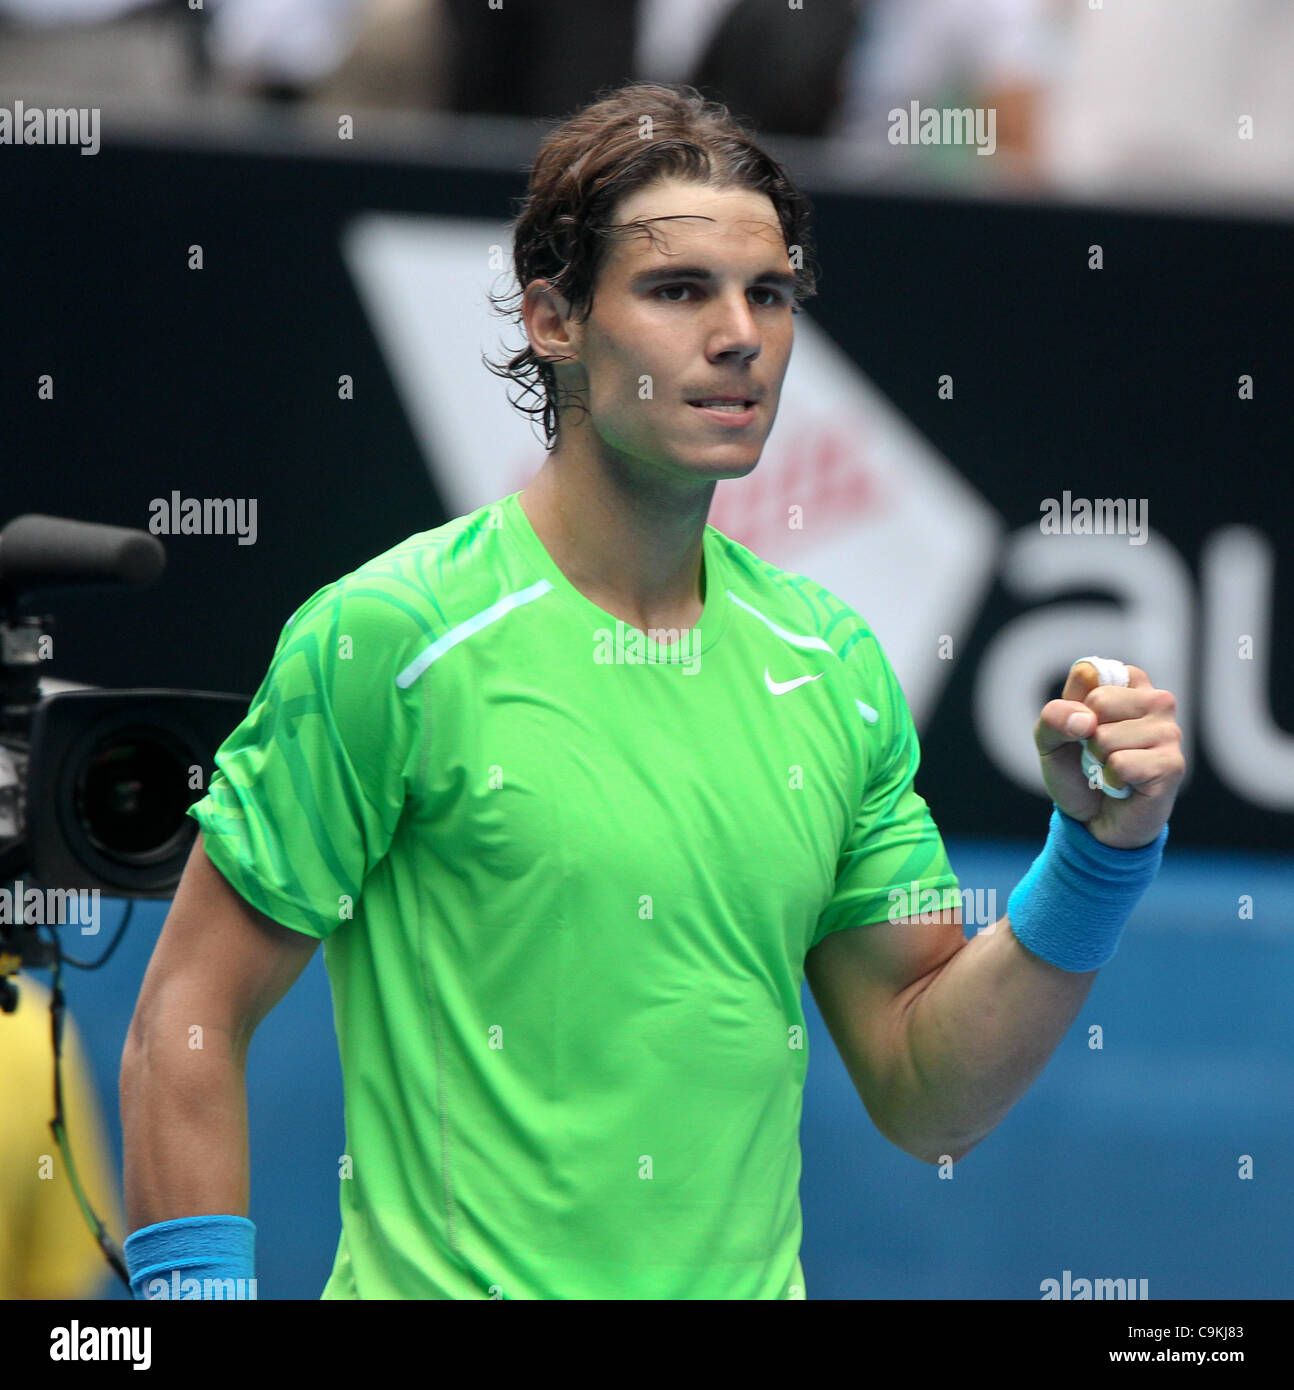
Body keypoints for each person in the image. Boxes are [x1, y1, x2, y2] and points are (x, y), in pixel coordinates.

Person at [119, 82, 1184, 1300]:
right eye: (679, 290)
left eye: (769, 295)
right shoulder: (388, 638)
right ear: (554, 321)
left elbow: (924, 1090)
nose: (739, 334)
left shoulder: (831, 664)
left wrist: (1099, 856)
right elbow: (185, 1023)